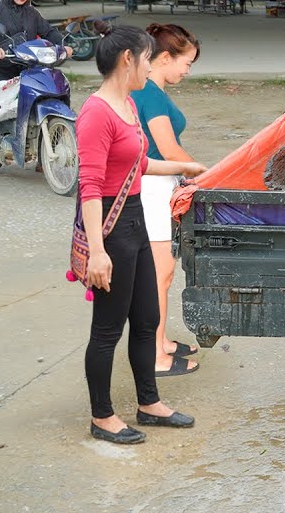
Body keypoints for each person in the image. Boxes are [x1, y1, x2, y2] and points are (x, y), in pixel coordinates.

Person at [77, 25, 206, 444]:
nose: (151, 65)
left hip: (137, 221)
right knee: (107, 330)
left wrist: (187, 169)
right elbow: (91, 186)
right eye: (148, 57)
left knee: (147, 318)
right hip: (112, 231)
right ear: (128, 60)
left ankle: (149, 403)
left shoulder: (128, 104)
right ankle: (102, 417)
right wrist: (98, 251)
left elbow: (140, 164)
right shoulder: (96, 112)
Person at [130, 23, 203, 377]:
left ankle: (160, 343)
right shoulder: (153, 94)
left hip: (153, 183)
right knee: (160, 274)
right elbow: (169, 148)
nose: (187, 70)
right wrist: (204, 173)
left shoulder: (145, 90)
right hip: (153, 186)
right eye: (186, 63)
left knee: (159, 273)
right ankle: (155, 356)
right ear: (163, 58)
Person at [0, 0, 72, 185]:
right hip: (1, 70)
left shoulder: (32, 13)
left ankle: (42, 155)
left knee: (43, 100)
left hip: (26, 68)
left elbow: (49, 32)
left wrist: (63, 44)